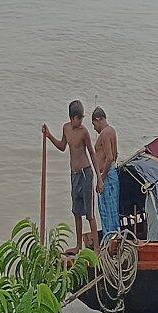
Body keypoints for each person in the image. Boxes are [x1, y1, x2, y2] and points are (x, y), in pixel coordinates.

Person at [43, 100, 98, 250]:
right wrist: (48, 135)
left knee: (90, 213)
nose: (80, 121)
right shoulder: (66, 128)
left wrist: (99, 179)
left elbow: (92, 154)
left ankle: (98, 249)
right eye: (78, 118)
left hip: (86, 173)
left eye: (82, 118)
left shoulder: (84, 132)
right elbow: (62, 146)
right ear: (71, 117)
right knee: (76, 211)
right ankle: (78, 245)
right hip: (74, 175)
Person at [91, 107, 120, 240]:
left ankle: (110, 239)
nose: (94, 128)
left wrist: (101, 178)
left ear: (98, 119)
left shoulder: (105, 133)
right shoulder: (111, 131)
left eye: (94, 124)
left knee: (107, 210)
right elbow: (115, 154)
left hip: (107, 175)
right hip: (111, 173)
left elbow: (109, 157)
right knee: (111, 209)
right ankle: (112, 238)